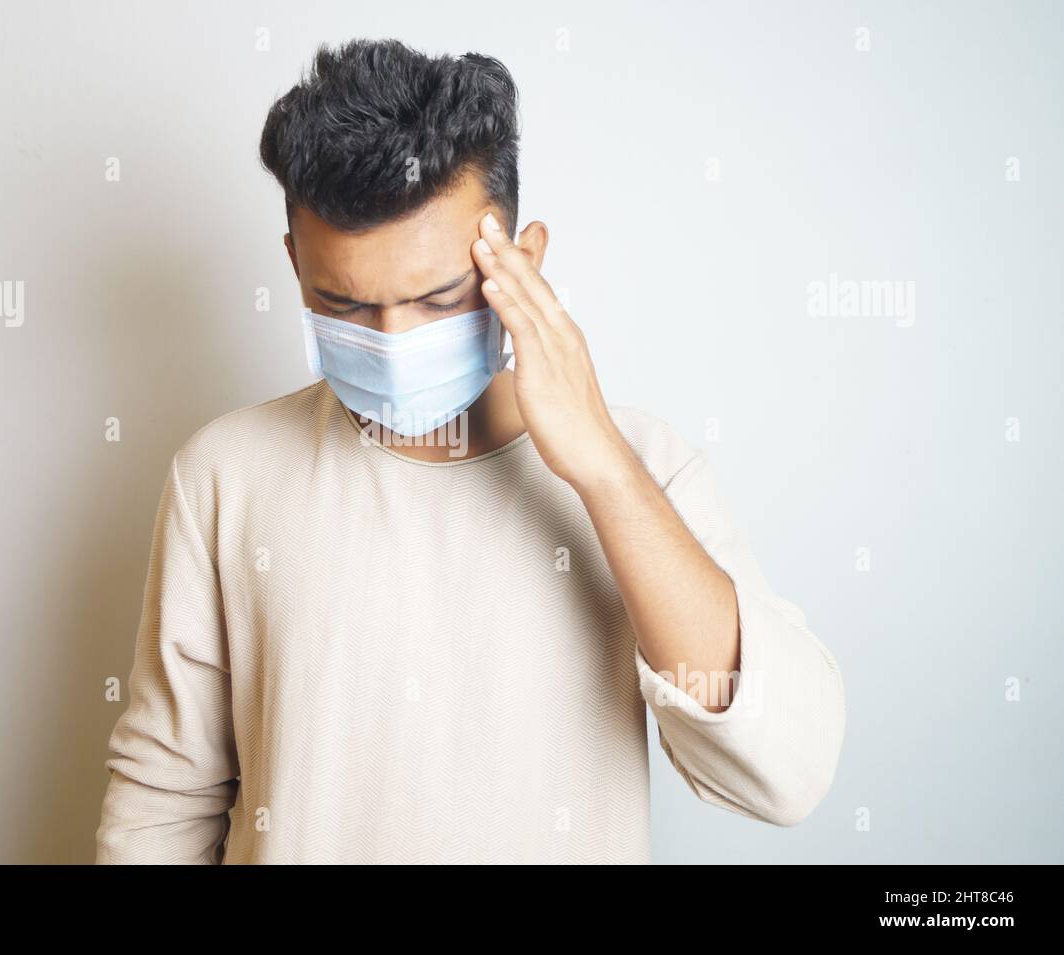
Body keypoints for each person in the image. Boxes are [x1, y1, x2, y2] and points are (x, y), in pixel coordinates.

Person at [94, 38, 845, 864]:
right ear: (295, 266)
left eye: (437, 298)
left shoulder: (641, 464)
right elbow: (165, 799)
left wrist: (599, 466)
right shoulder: (224, 477)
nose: (391, 339)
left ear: (522, 263)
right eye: (342, 303)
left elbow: (784, 772)